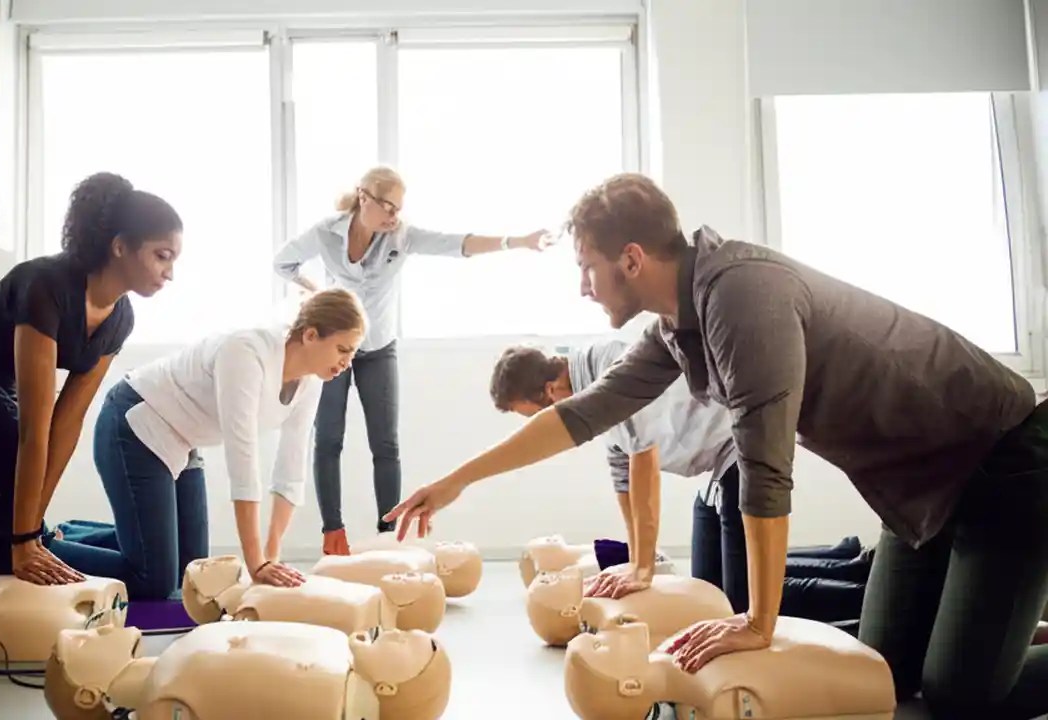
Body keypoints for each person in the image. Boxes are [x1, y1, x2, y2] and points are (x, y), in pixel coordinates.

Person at [387, 173, 1048, 719]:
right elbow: (588, 413)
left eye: (586, 267)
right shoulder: (680, 322)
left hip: (1001, 460)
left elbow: (764, 469)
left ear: (633, 259)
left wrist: (758, 621)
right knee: (885, 674)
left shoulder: (743, 297)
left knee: (962, 700)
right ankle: (1000, 630)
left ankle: (1000, 643)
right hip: (915, 489)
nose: (582, 286)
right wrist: (459, 479)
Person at [0, 171, 183, 588]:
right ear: (120, 247)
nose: (170, 272)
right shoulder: (46, 285)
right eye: (162, 255)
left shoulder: (120, 318)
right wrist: (25, 538)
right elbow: (35, 428)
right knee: (17, 491)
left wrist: (30, 534)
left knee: (17, 513)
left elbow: (68, 421)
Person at [273, 165, 551, 555]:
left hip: (379, 349)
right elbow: (282, 263)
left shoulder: (401, 237)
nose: (393, 216)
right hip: (335, 351)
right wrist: (318, 294)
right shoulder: (325, 232)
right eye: (388, 207)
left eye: (399, 209)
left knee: (385, 443)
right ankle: (332, 532)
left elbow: (460, 244)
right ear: (364, 198)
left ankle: (388, 537)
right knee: (328, 439)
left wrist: (518, 241)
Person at [490, 342, 872, 625]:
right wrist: (635, 559)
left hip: (741, 448)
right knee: (711, 586)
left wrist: (643, 567)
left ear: (550, 392)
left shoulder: (609, 367)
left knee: (740, 598)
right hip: (715, 464)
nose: (547, 421)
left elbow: (643, 464)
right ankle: (853, 561)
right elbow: (622, 475)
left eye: (539, 413)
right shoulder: (588, 391)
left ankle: (872, 599)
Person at [81, 288, 367, 599]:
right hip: (136, 422)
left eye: (352, 354)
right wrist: (255, 562)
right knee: (155, 580)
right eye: (342, 349)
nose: (346, 363)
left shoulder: (311, 381)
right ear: (311, 335)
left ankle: (73, 535)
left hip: (184, 441)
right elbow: (242, 459)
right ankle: (48, 545)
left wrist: (271, 555)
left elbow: (291, 466)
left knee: (192, 571)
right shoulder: (247, 351)